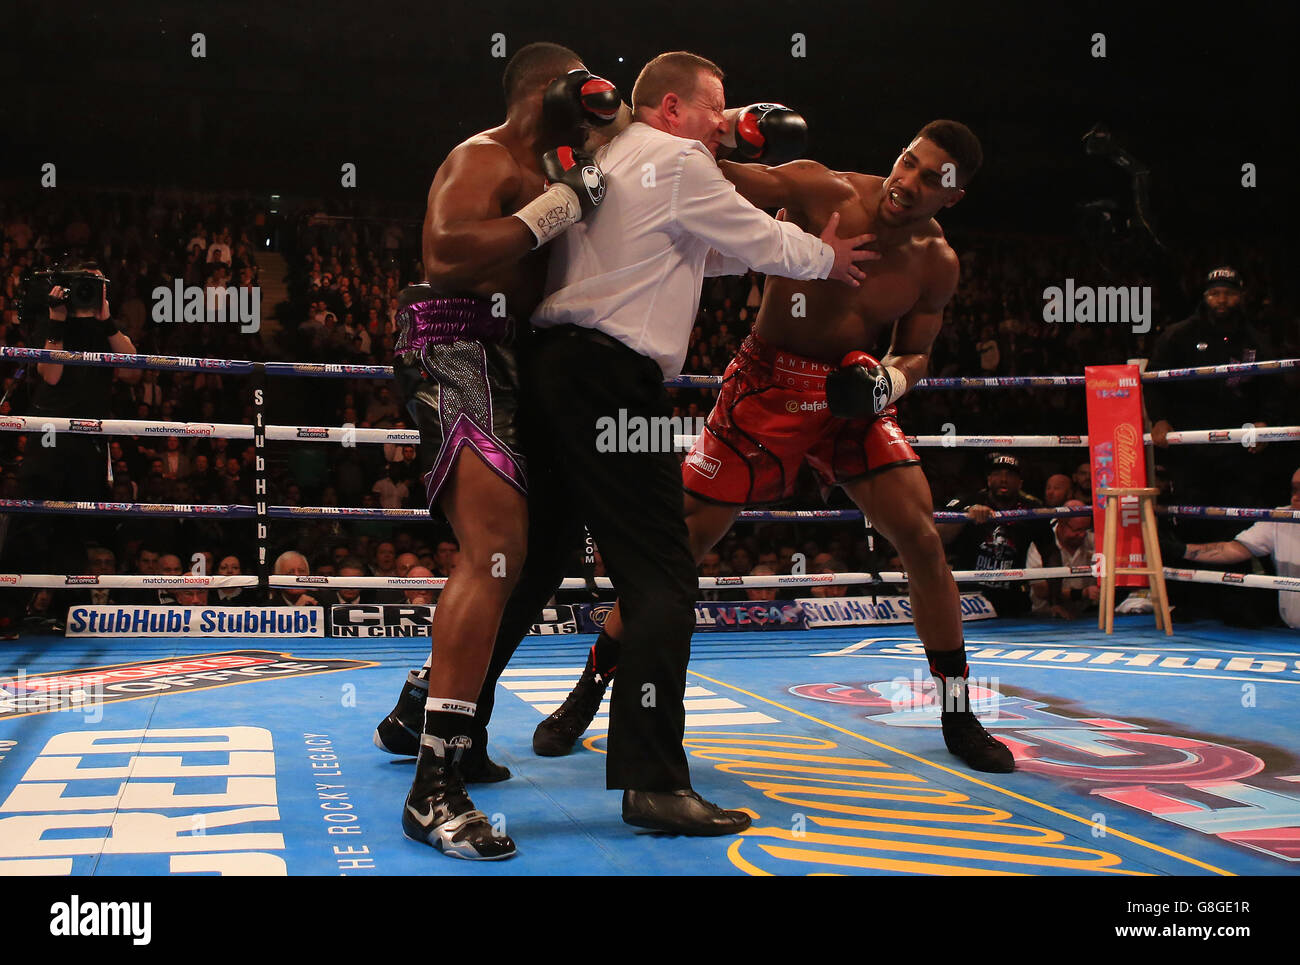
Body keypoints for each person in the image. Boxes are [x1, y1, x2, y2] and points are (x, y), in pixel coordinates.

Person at [383, 50, 873, 839]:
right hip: (607, 382)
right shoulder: (668, 157)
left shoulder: (609, 165)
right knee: (661, 576)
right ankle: (652, 781)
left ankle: (448, 729)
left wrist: (766, 233)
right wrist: (827, 258)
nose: (727, 121)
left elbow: (691, 247)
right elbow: (751, 237)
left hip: (547, 371)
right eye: (716, 107)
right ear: (673, 107)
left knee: (534, 561)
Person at [538, 117, 1018, 773]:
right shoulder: (825, 189)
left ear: (954, 195)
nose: (908, 181)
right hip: (766, 387)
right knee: (680, 552)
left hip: (850, 392)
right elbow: (722, 177)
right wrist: (733, 137)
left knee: (924, 539)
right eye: (909, 160)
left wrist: (887, 381)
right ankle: (587, 690)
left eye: (931, 178)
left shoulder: (938, 262)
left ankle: (959, 712)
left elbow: (918, 353)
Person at [375, 42, 627, 861]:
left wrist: (721, 123)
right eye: (582, 85)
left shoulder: (572, 158)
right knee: (493, 551)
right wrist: (555, 207)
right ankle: (431, 789)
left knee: (528, 555)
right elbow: (444, 257)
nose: (597, 99)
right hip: (456, 340)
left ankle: (426, 709)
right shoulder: (482, 155)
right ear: (547, 90)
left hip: (522, 356)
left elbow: (639, 127)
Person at [1173, 467, 1300, 629]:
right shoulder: (1281, 518)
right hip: (1292, 631)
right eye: (1294, 490)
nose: (1295, 497)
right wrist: (1180, 549)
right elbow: (1231, 551)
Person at [940, 453, 1053, 619]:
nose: (1004, 479)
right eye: (998, 474)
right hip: (967, 597)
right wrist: (966, 516)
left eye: (1011, 475)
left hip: (1012, 598)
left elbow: (1051, 553)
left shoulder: (1032, 509)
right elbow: (940, 536)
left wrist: (1056, 602)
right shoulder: (967, 500)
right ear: (988, 479)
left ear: (1020, 482)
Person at [1025, 499, 1098, 619]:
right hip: (1045, 617)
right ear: (1061, 523)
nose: (1082, 535)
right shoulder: (1041, 545)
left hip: (1086, 616)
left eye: (1085, 529)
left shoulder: (1093, 541)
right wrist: (1081, 593)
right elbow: (1040, 589)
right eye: (1077, 530)